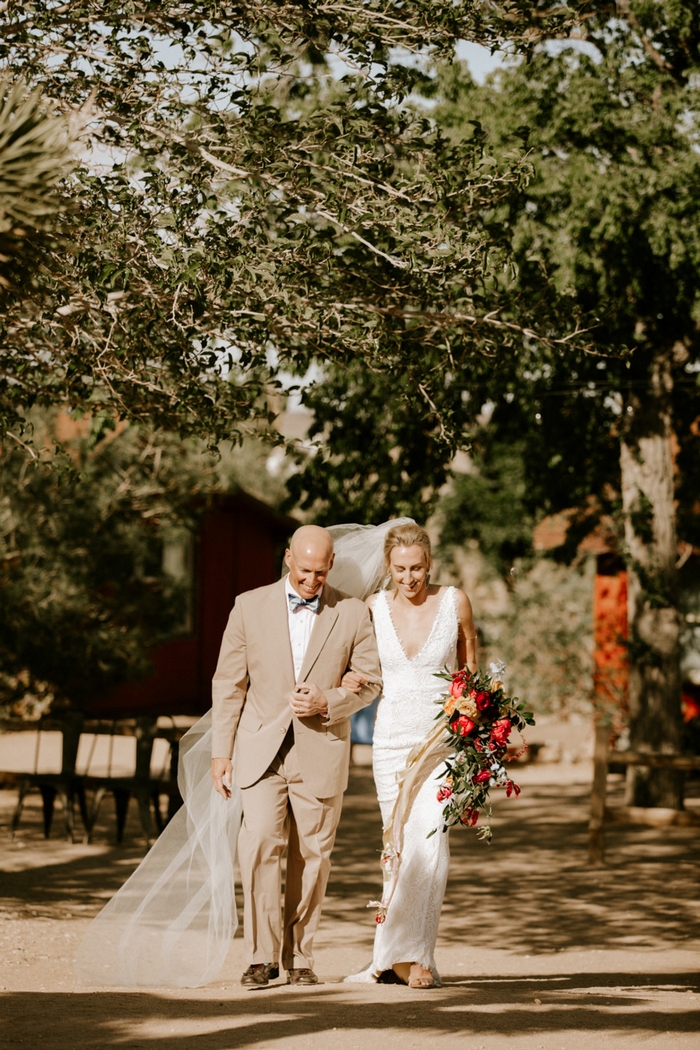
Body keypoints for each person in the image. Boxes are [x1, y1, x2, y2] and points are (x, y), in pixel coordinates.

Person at [210, 524, 382, 987]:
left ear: (330, 567)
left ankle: (300, 956)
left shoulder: (352, 612)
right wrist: (221, 752)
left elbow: (370, 681)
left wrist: (328, 700)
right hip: (259, 749)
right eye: (304, 571)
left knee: (313, 856)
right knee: (261, 843)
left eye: (320, 573)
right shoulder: (248, 606)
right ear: (288, 558)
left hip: (321, 750)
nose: (311, 581)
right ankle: (261, 958)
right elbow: (229, 684)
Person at [342, 521, 477, 989]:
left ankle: (413, 955)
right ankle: (396, 958)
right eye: (400, 569)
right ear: (388, 567)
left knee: (431, 844)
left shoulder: (455, 602)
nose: (409, 578)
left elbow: (471, 673)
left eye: (417, 567)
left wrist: (478, 729)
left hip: (442, 739)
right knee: (397, 847)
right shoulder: (372, 609)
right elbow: (359, 669)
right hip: (392, 741)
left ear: (430, 563)